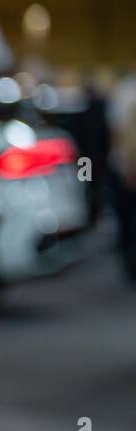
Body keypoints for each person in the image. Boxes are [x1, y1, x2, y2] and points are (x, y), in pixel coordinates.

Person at [107, 62, 136, 280]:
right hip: (127, 166)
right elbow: (122, 134)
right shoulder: (126, 92)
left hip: (125, 165)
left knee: (127, 218)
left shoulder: (124, 91)